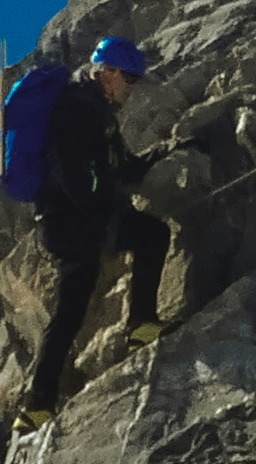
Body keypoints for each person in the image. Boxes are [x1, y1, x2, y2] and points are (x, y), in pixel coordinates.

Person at [11, 33, 172, 429]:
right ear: (109, 74)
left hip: (64, 223)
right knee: (154, 235)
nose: (131, 90)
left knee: (70, 311)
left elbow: (122, 168)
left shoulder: (94, 111)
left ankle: (36, 407)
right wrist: (103, 202)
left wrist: (164, 153)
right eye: (129, 81)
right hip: (80, 219)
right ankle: (142, 326)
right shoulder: (77, 111)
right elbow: (80, 178)